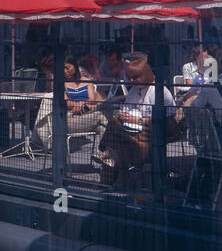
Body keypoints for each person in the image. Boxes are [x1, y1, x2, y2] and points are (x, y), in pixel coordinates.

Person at [98, 53, 179, 181]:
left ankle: (111, 154)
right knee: (114, 121)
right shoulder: (134, 90)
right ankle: (111, 153)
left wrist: (138, 120)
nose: (132, 81)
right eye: (130, 78)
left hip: (159, 125)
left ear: (145, 75)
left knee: (128, 137)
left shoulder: (158, 91)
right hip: (137, 125)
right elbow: (128, 107)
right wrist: (123, 115)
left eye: (135, 78)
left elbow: (165, 117)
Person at [31, 58, 107, 151]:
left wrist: (79, 104)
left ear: (75, 66)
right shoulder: (62, 83)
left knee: (102, 126)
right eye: (63, 68)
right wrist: (83, 103)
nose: (65, 71)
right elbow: (67, 103)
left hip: (86, 117)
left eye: (67, 68)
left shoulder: (87, 81)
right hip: (68, 121)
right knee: (102, 116)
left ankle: (107, 154)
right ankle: (108, 153)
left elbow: (92, 102)